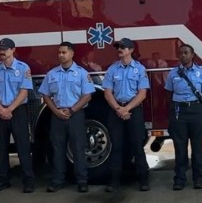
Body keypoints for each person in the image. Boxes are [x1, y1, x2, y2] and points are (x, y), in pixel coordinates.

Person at [38, 41, 95, 193]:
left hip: (75, 115)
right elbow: (45, 95)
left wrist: (71, 110)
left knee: (78, 149)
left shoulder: (82, 73)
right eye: (59, 53)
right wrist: (56, 111)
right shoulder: (52, 74)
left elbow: (87, 95)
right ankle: (57, 181)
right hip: (57, 116)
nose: (61, 55)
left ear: (72, 54)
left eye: (64, 52)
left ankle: (82, 181)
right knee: (58, 150)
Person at [0, 38, 35, 193]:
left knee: (23, 147)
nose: (2, 52)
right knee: (1, 148)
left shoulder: (23, 68)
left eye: (5, 49)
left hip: (17, 111)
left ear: (13, 50)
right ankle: (3, 180)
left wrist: (10, 109)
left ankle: (28, 181)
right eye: (0, 49)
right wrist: (0, 109)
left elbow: (24, 91)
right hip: (1, 111)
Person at [103, 38, 151, 193]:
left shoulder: (139, 69)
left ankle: (143, 180)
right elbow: (107, 92)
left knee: (137, 145)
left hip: (134, 111)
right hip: (116, 110)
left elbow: (142, 93)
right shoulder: (112, 70)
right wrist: (118, 109)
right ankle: (114, 181)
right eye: (118, 47)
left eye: (123, 47)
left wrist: (127, 108)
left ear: (131, 50)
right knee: (116, 146)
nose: (120, 49)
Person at [165, 43, 202, 190]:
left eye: (186, 53)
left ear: (192, 55)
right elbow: (168, 93)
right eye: (181, 53)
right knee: (180, 147)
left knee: (198, 146)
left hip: (196, 110)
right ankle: (179, 180)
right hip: (179, 112)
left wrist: (200, 109)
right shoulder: (173, 73)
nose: (183, 55)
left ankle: (199, 179)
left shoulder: (201, 73)